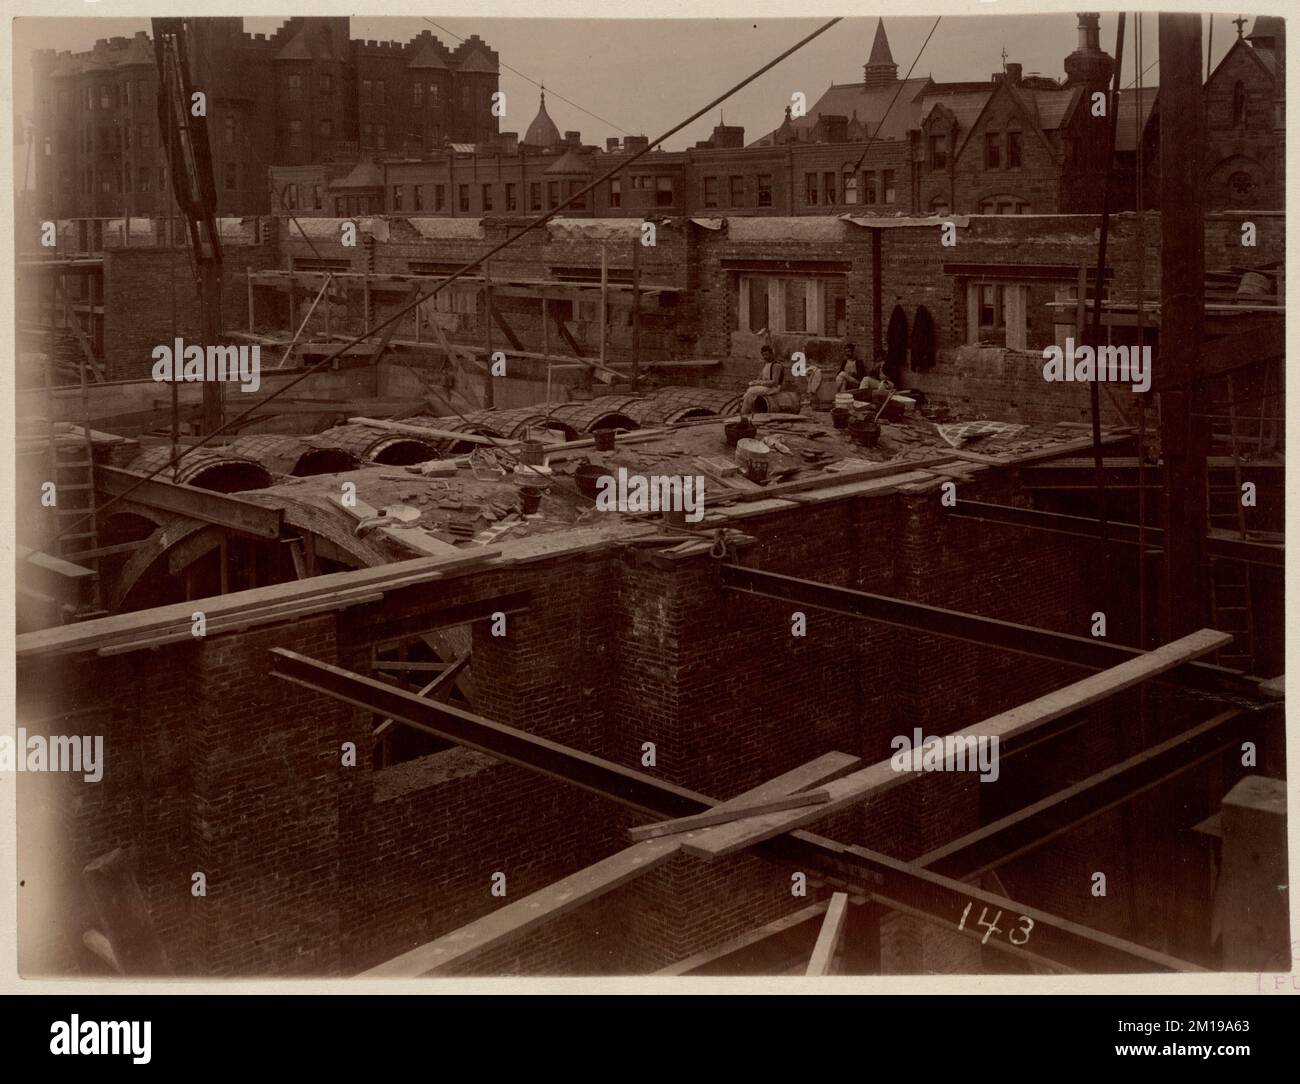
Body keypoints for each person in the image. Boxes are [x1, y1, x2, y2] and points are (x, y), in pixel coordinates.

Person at [740, 344, 787, 415]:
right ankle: (748, 408)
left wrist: (759, 383)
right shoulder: (766, 364)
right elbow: (760, 377)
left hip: (774, 388)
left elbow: (774, 382)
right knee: (750, 389)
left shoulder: (776, 365)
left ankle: (743, 413)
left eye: (767, 354)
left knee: (751, 391)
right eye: (763, 355)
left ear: (771, 354)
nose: (765, 357)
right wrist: (754, 382)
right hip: (766, 386)